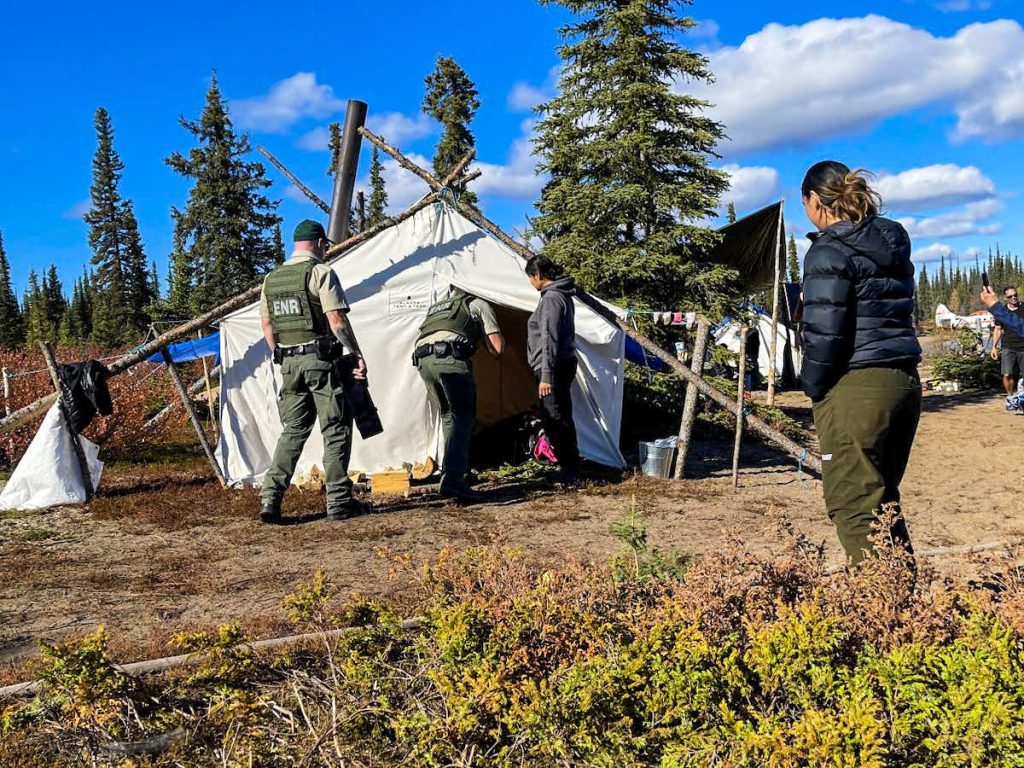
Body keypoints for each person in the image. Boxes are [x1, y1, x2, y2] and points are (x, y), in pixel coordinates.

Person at [800, 161, 922, 565]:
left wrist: (814, 387)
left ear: (815, 201)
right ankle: (905, 603)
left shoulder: (829, 250)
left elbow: (825, 333)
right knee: (881, 501)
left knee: (853, 503)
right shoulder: (892, 243)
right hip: (903, 380)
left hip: (857, 385)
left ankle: (883, 611)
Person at [259, 219, 367, 524]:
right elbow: (336, 321)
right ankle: (338, 502)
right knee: (335, 427)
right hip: (320, 361)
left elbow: (267, 325)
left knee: (293, 430)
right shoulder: (320, 273)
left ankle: (270, 497)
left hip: (289, 364)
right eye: (326, 247)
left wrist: (280, 354)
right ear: (320, 243)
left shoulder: (272, 279)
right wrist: (356, 353)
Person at [413, 286, 505, 504]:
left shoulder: (437, 307)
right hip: (449, 358)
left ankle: (455, 472)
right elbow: (498, 348)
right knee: (463, 416)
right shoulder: (479, 304)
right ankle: (453, 480)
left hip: (422, 360)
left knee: (449, 416)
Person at [526, 256, 581, 486]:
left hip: (553, 366)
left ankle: (569, 471)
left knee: (555, 418)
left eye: (530, 277)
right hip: (561, 364)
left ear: (538, 276)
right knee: (560, 415)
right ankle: (570, 467)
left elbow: (549, 338)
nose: (530, 282)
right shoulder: (563, 296)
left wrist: (546, 376)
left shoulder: (551, 298)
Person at [988, 286, 1024, 406]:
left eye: (1015, 295)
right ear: (1005, 298)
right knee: (1007, 374)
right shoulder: (1002, 312)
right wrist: (994, 346)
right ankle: (1011, 398)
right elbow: (998, 329)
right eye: (1010, 296)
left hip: (1023, 347)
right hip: (1008, 346)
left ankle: (1022, 399)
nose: (1013, 298)